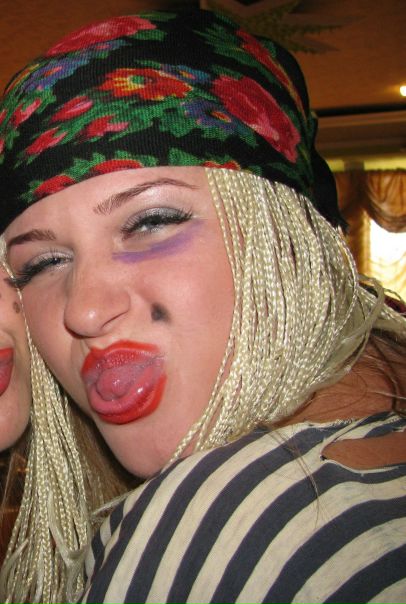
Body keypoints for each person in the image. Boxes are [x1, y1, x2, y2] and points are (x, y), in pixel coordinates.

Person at [0, 9, 405, 604]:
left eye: (151, 222)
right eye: (43, 264)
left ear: (285, 241)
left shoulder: (217, 524)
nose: (84, 310)